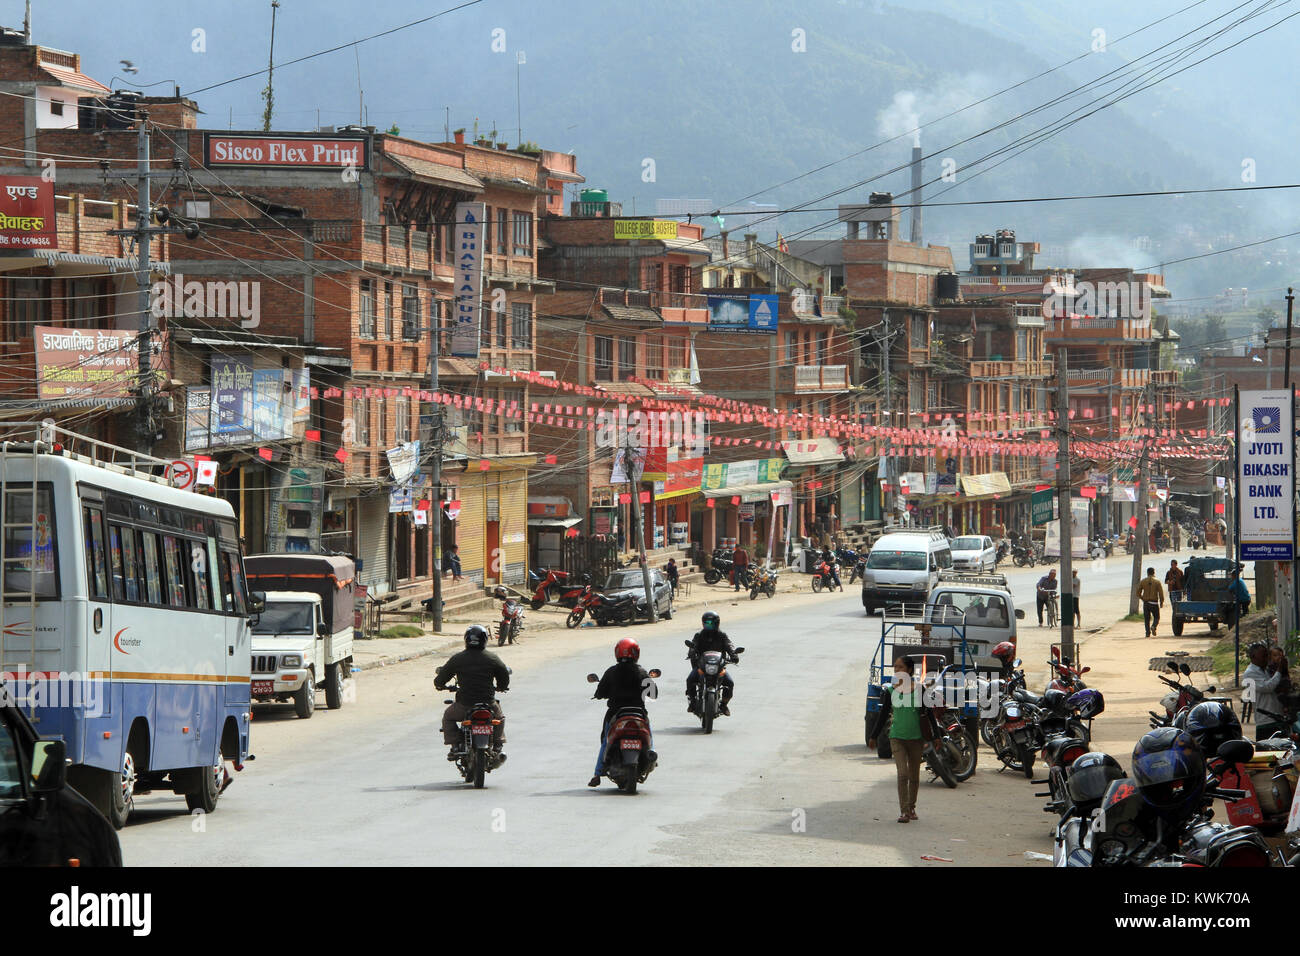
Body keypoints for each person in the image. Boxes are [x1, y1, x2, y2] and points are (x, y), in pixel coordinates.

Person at [867, 655, 935, 823]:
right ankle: (904, 811)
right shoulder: (890, 691)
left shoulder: (920, 690)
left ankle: (911, 807)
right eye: (895, 667)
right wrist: (873, 736)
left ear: (910, 670)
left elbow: (929, 714)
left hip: (916, 738)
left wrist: (937, 737)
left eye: (901, 668)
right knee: (902, 774)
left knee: (914, 776)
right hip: (896, 737)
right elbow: (882, 716)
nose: (897, 671)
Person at [433, 625, 510, 758]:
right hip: (489, 704)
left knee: (448, 717)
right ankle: (498, 744)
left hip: (464, 704)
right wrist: (501, 687)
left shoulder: (457, 659)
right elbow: (504, 676)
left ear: (466, 640)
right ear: (485, 640)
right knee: (500, 718)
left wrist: (440, 685)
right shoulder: (492, 658)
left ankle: (455, 745)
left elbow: (441, 679)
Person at [588, 637, 656, 787]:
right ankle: (652, 753)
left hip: (616, 714)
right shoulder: (641, 672)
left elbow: (600, 692)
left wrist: (600, 694)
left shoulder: (611, 672)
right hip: (638, 713)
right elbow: (653, 693)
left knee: (606, 740)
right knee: (649, 732)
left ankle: (597, 774)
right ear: (636, 653)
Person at [685, 611, 738, 715]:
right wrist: (691, 652)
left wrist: (734, 655)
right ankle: (693, 702)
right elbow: (693, 645)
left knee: (729, 682)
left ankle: (723, 705)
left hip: (718, 667)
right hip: (703, 666)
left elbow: (729, 645)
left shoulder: (722, 635)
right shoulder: (699, 635)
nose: (708, 626)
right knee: (690, 679)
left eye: (711, 623)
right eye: (706, 623)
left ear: (716, 623)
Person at [1243, 642, 1288, 740]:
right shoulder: (1250, 673)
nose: (1266, 658)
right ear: (1253, 657)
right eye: (1263, 656)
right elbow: (1268, 687)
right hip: (1265, 721)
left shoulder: (1266, 670)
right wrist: (1279, 670)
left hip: (1277, 718)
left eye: (1267, 655)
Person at [1137, 567, 1165, 637]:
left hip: (1146, 603)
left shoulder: (1143, 581)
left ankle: (1147, 633)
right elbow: (1161, 593)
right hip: (1154, 602)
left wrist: (1143, 598)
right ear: (1154, 572)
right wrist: (1161, 602)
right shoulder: (1157, 582)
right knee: (1157, 617)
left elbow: (1138, 593)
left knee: (1147, 619)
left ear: (1147, 573)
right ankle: (1153, 626)